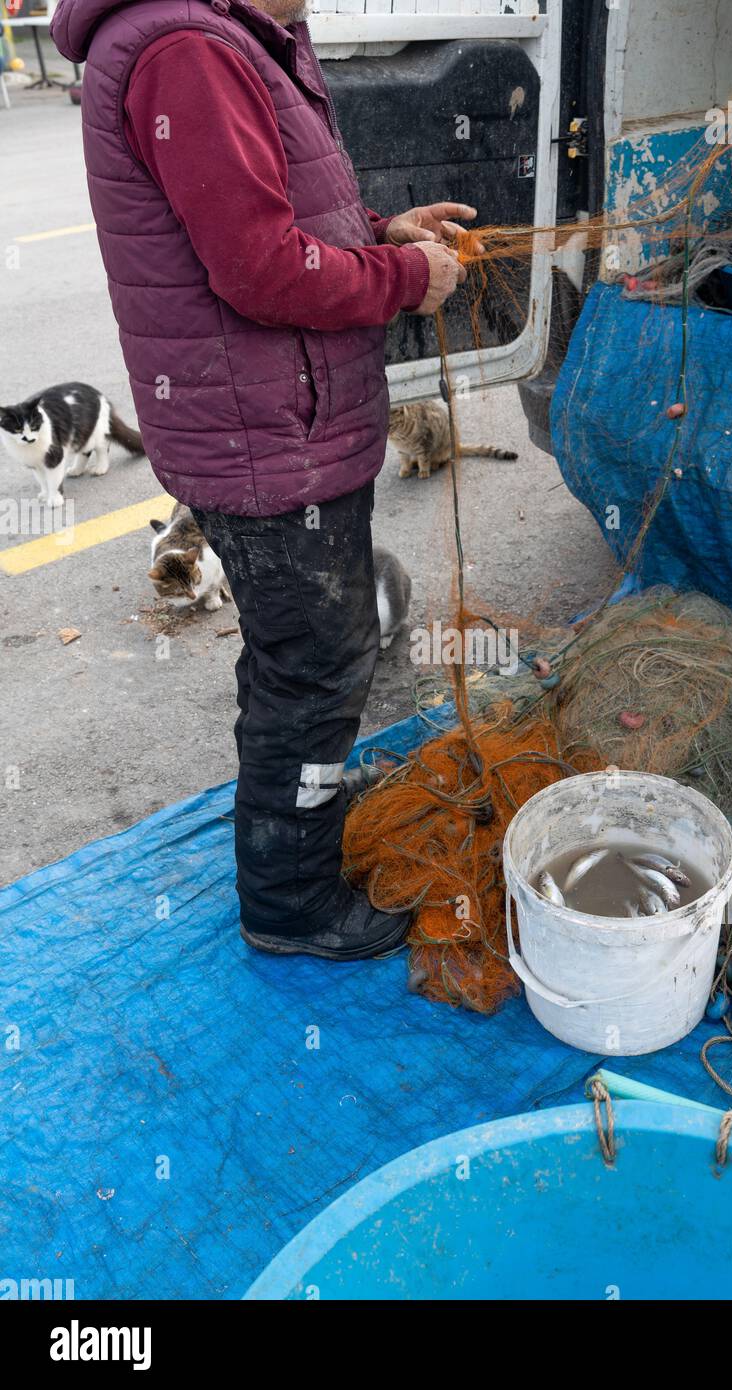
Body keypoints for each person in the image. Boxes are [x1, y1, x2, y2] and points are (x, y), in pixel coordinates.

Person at [52, 0, 474, 959]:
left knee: (309, 654)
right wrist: (403, 277)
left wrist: (380, 231)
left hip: (286, 420)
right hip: (264, 434)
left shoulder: (240, 33)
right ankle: (291, 903)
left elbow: (278, 207)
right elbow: (258, 267)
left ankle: (299, 824)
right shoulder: (187, 52)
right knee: (315, 669)